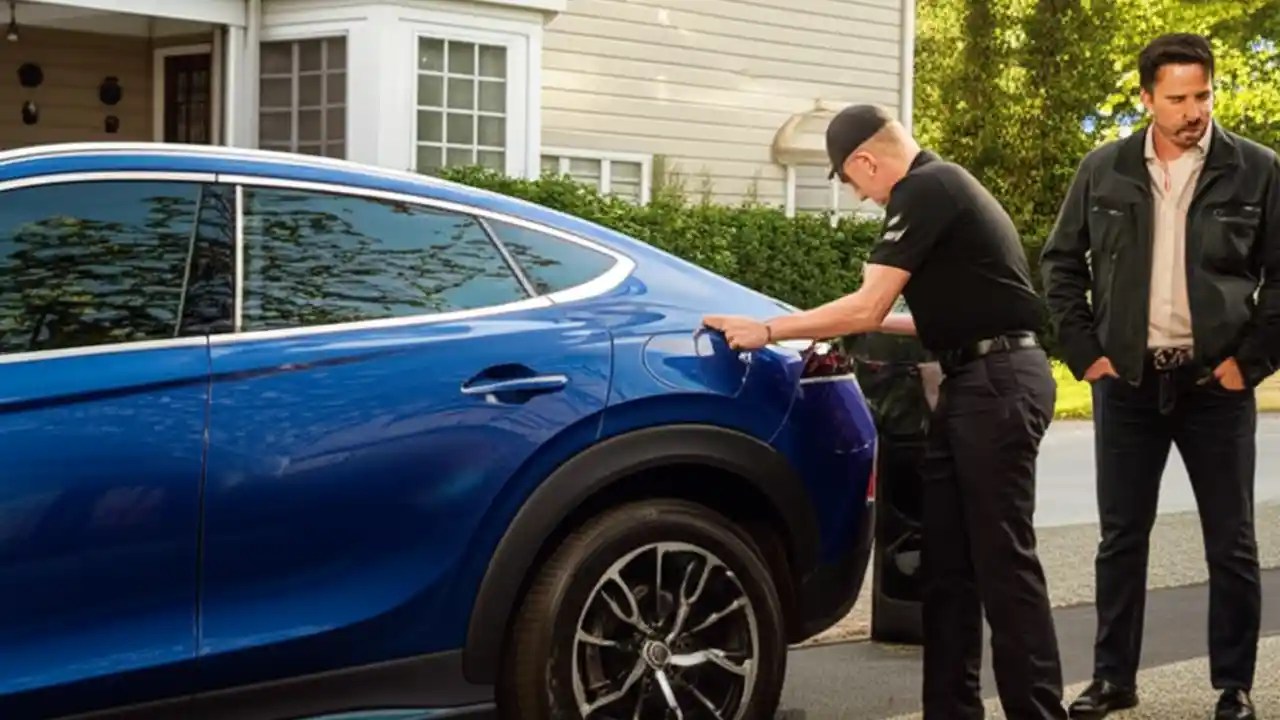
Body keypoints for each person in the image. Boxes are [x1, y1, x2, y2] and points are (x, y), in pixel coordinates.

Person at [703, 104, 1068, 720]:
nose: (860, 195)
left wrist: (768, 329)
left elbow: (867, 307)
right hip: (975, 378)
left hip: (998, 383)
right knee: (948, 568)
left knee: (1003, 564)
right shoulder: (943, 191)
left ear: (866, 161)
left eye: (851, 181)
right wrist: (826, 325)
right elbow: (927, 314)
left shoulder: (926, 187)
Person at [1040, 32, 1280, 720]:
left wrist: (1252, 361)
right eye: (1177, 98)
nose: (1193, 109)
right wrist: (1088, 355)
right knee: (1121, 538)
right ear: (1146, 98)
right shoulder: (1104, 169)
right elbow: (1061, 265)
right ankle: (1113, 679)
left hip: (1217, 386)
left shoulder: (1257, 169)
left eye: (1203, 94)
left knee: (1232, 541)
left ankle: (1233, 686)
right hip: (1129, 385)